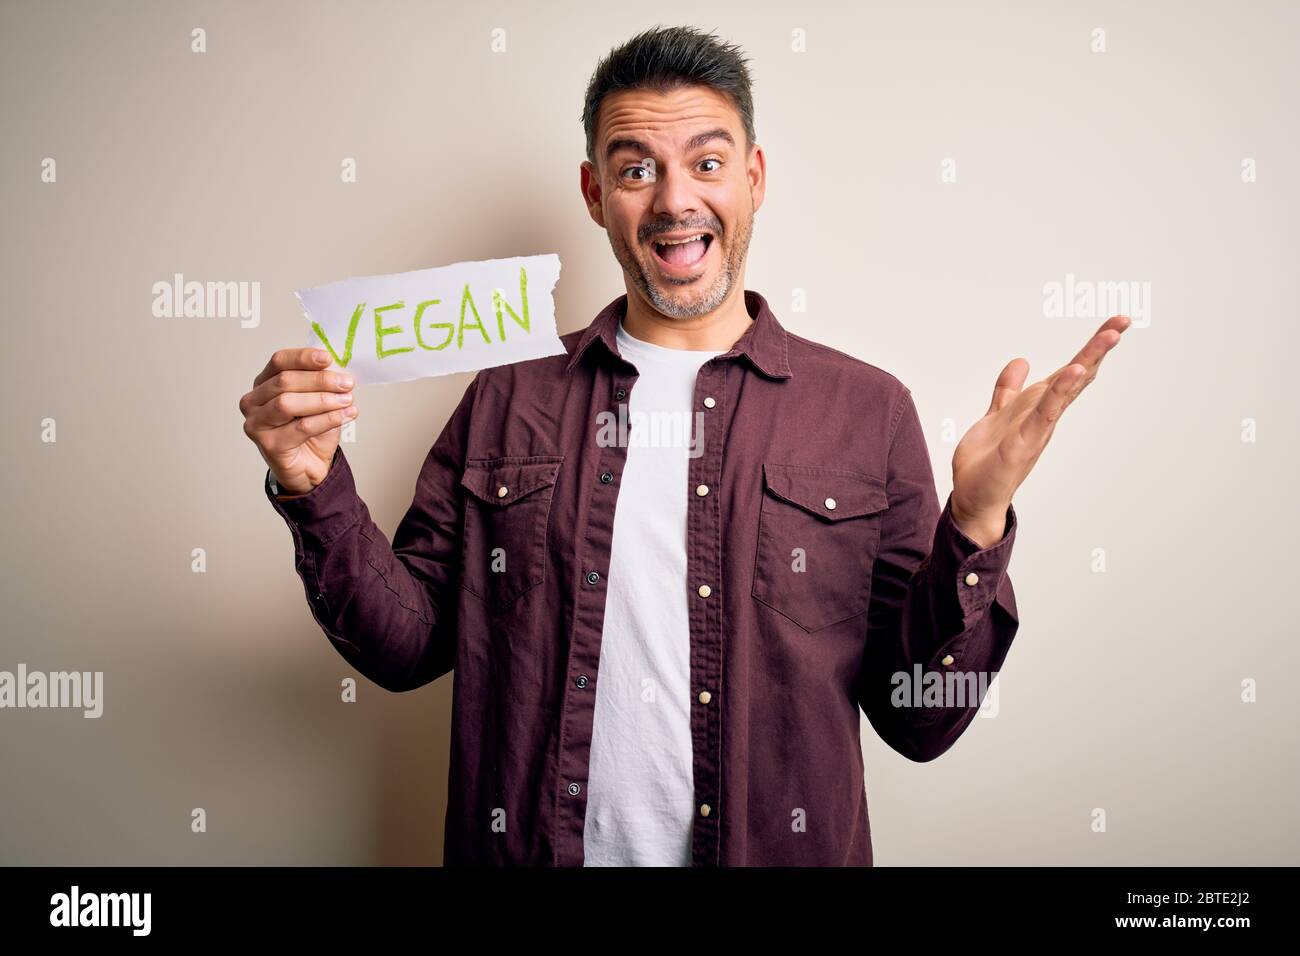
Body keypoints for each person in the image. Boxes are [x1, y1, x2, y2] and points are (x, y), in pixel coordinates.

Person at [238, 25, 1128, 866]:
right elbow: (408, 647)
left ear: (754, 177)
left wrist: (974, 522)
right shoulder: (509, 397)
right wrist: (314, 487)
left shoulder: (868, 411)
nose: (675, 199)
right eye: (636, 169)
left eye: (707, 162)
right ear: (594, 194)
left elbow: (919, 722)